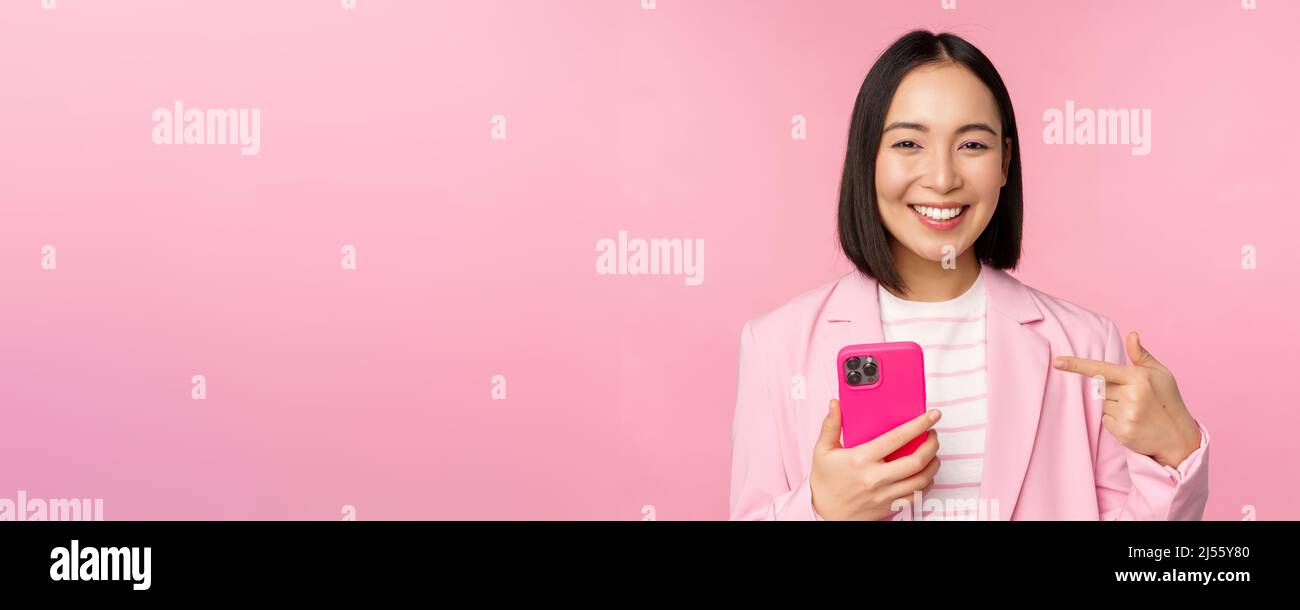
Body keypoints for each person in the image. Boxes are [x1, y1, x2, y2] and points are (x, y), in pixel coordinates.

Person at [729, 30, 1208, 521]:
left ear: (1005, 162)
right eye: (908, 143)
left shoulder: (1086, 344)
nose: (942, 178)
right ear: (867, 157)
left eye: (972, 144)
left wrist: (1176, 454)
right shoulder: (775, 346)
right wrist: (820, 511)